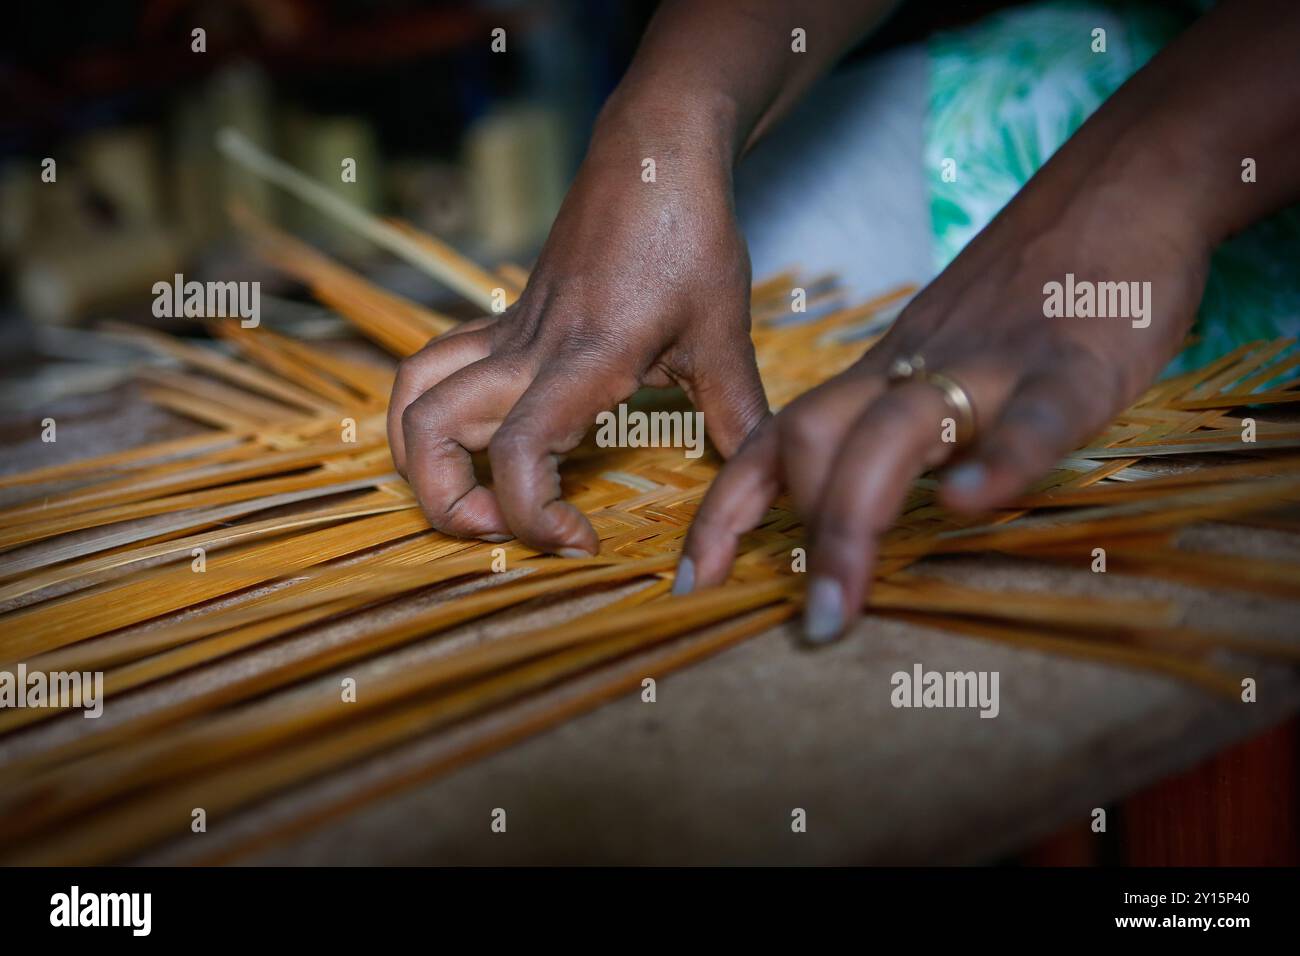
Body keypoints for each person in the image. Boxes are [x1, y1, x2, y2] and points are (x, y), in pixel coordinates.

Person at [388, 0, 1300, 642]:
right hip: (1108, 54)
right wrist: (658, 129)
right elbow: (677, 143)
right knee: (770, 250)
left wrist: (1130, 191)